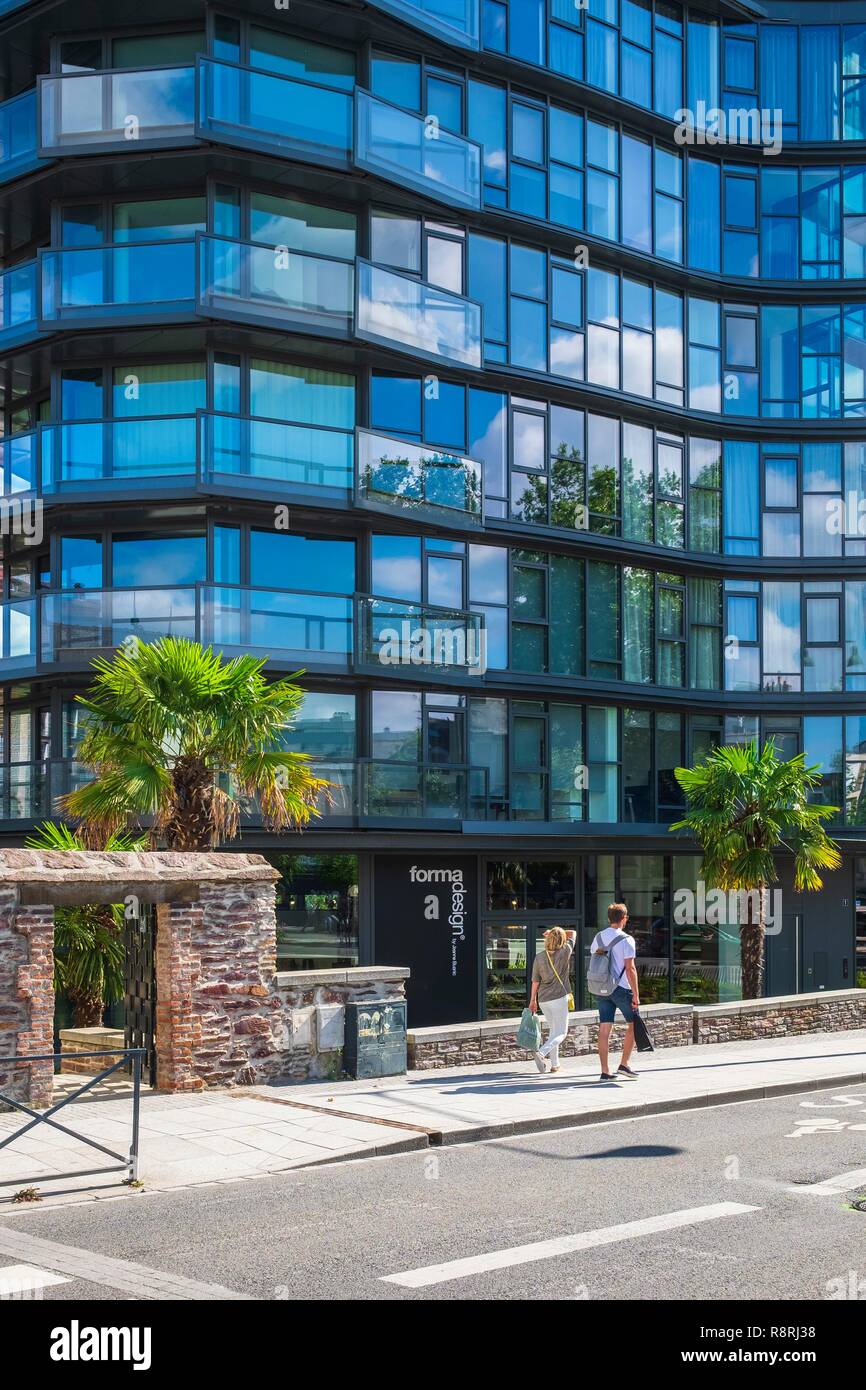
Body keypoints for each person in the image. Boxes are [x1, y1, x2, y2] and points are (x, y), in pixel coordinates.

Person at [591, 903, 640, 1082]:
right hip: (621, 988)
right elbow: (630, 969)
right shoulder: (627, 939)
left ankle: (605, 1071)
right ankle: (624, 1064)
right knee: (635, 1024)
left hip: (602, 988)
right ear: (624, 918)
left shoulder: (598, 937)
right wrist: (636, 994)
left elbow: (597, 958)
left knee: (605, 1028)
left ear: (609, 918)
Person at [529, 927, 576, 1074]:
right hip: (559, 999)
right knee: (562, 1033)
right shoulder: (565, 951)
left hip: (543, 1000)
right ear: (562, 940)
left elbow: (535, 981)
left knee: (554, 1032)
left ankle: (555, 1065)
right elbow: (573, 933)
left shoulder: (539, 957)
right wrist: (554, 932)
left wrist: (532, 1000)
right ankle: (541, 1052)